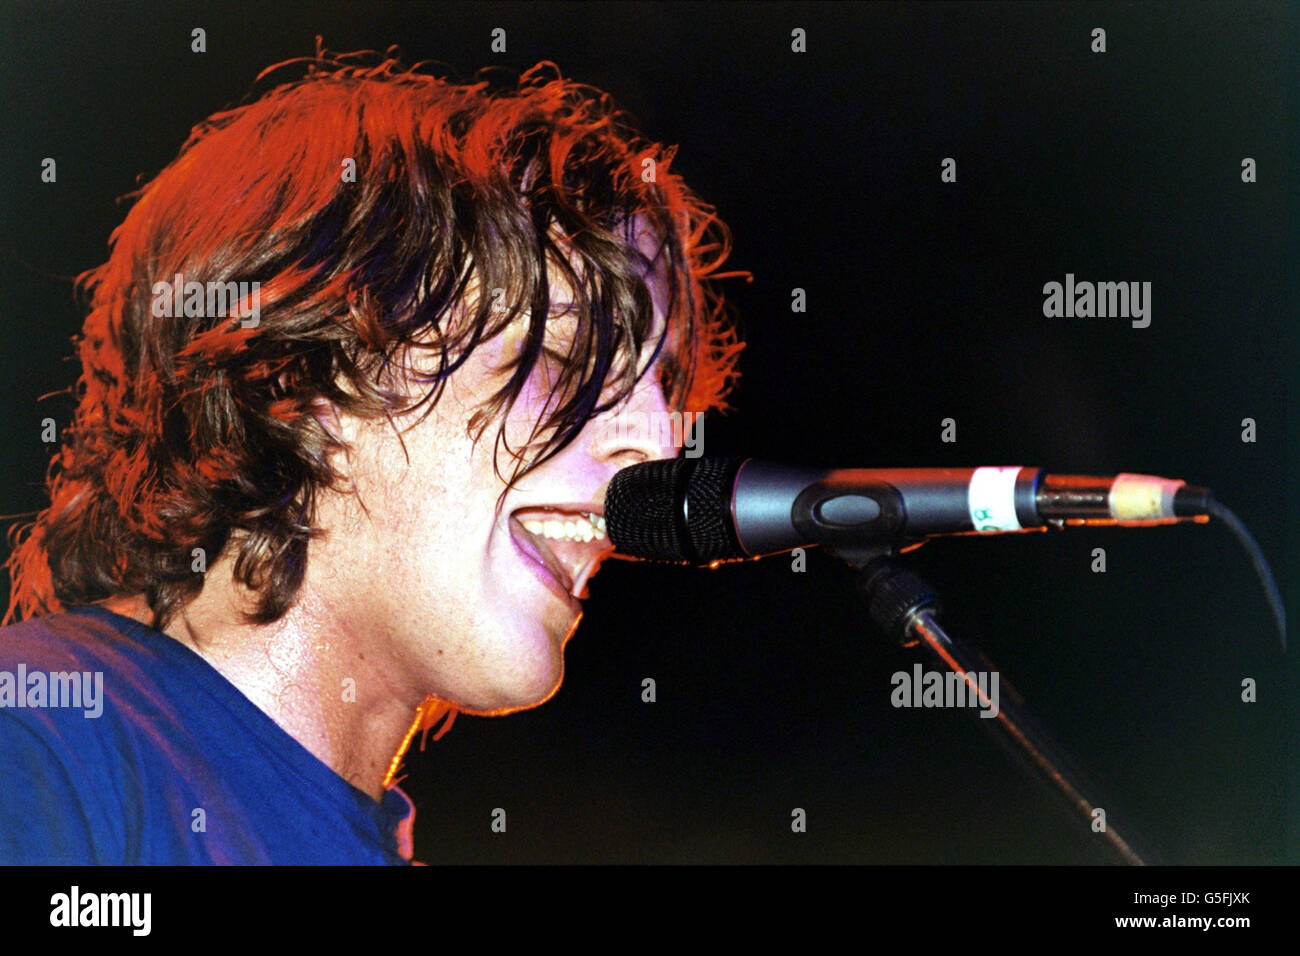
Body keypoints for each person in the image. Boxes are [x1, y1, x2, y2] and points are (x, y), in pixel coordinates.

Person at [0, 50, 742, 864]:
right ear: (307, 368)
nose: (663, 445)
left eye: (664, 397)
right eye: (564, 359)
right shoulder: (38, 749)